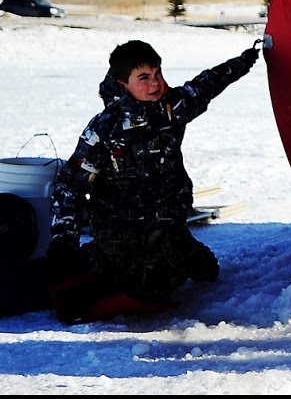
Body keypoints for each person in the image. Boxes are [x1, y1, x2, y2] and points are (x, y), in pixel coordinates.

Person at [46, 38, 260, 320]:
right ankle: (99, 257)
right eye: (144, 77)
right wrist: (64, 239)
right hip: (121, 231)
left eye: (158, 73)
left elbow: (207, 84)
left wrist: (244, 61)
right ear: (123, 83)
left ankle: (182, 252)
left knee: (204, 272)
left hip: (168, 225)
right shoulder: (105, 127)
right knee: (144, 287)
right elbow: (70, 184)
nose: (155, 83)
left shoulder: (172, 108)